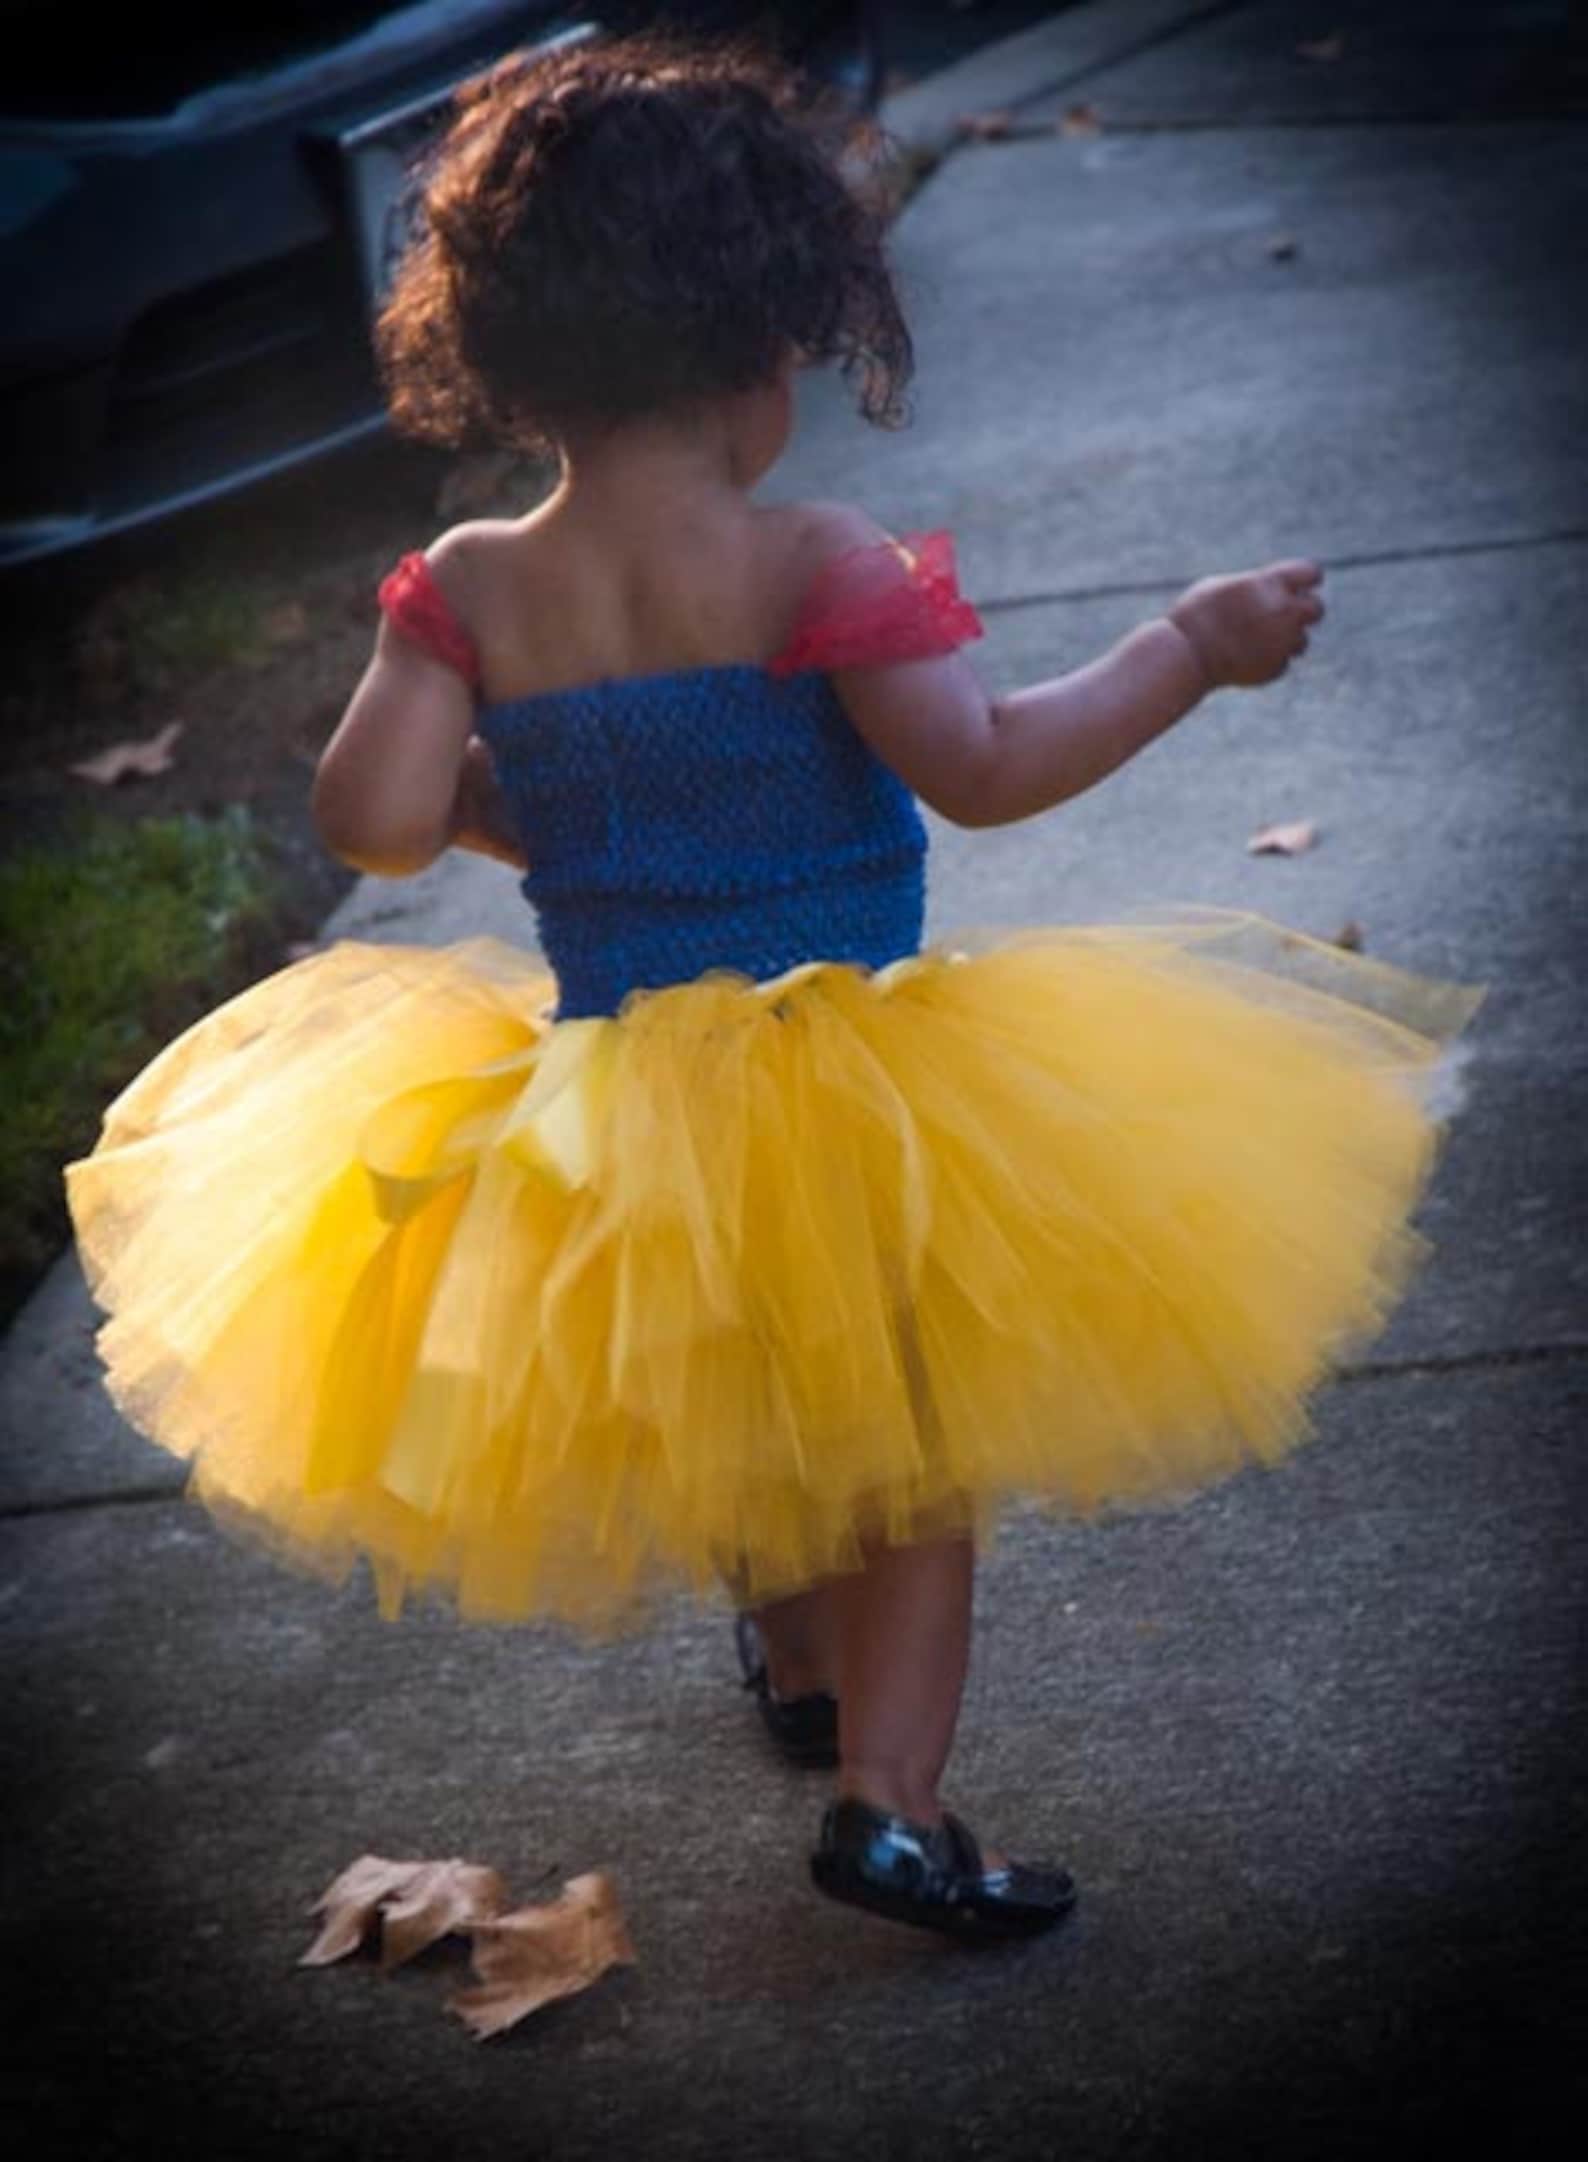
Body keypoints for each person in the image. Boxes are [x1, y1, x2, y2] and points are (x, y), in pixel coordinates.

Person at [66, 35, 1474, 1942]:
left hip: (617, 1101)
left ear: (513, 353)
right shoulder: (814, 555)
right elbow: (984, 764)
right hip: (852, 1072)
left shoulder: (470, 579)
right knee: (908, 1451)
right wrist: (1187, 649)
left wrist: (546, 812)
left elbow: (382, 819)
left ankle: (796, 1671)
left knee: (736, 1378)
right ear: (756, 346)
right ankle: (890, 1803)